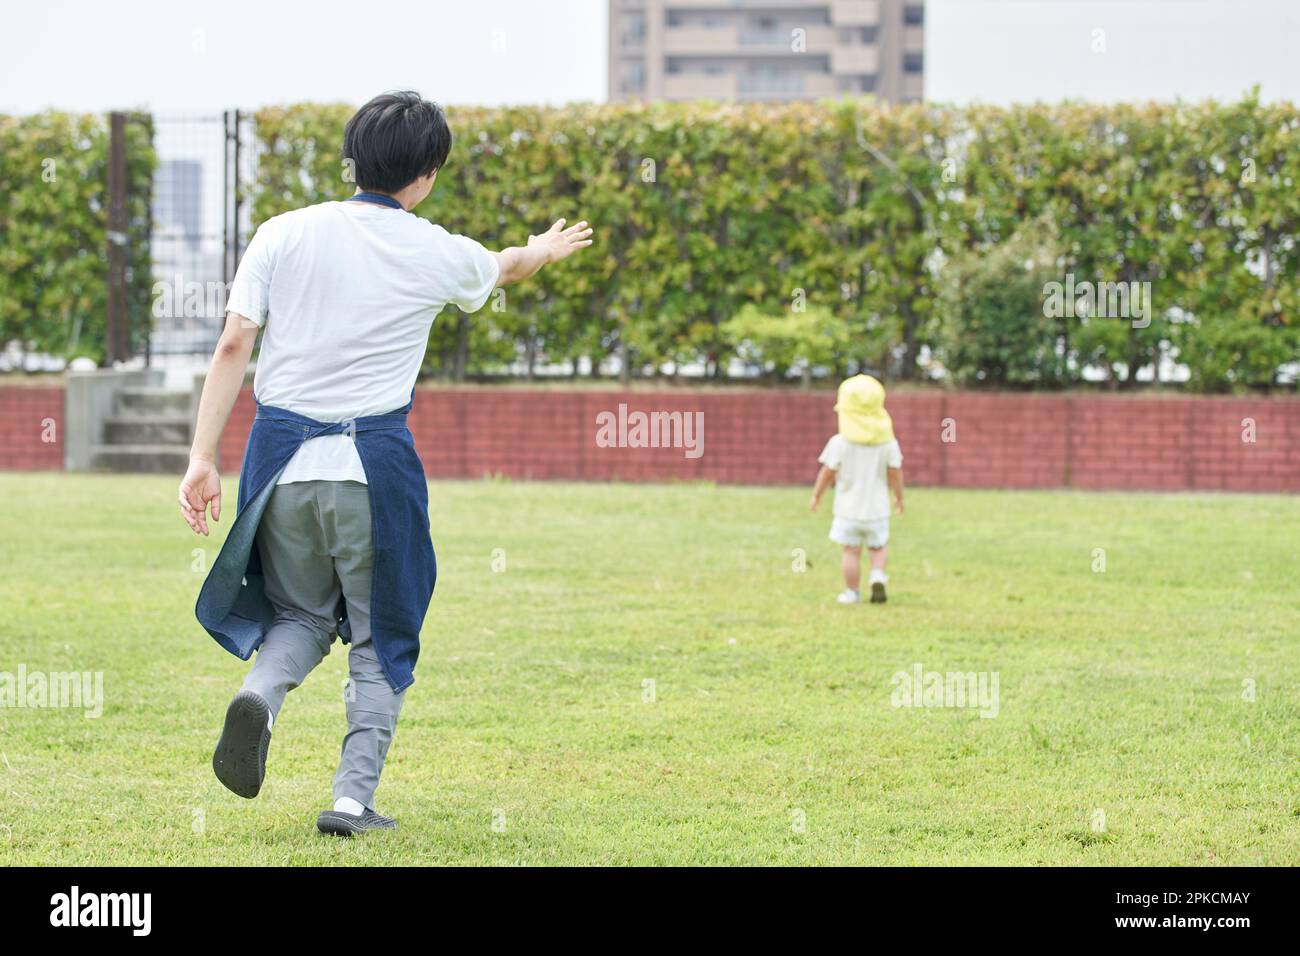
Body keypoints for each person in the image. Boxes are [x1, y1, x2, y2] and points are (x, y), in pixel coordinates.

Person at [178, 91, 593, 836]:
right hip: (373, 468)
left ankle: (260, 699)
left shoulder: (282, 232)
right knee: (377, 635)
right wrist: (543, 248)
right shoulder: (436, 250)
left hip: (280, 466)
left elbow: (233, 344)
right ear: (428, 173)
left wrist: (202, 457)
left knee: (301, 613)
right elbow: (507, 266)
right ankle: (349, 801)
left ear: (352, 156)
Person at [808, 374, 904, 605]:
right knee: (877, 547)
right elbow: (895, 473)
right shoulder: (889, 444)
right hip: (877, 511)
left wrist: (817, 495)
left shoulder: (839, 443)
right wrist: (898, 498)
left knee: (851, 552)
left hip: (847, 511)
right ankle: (878, 574)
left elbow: (827, 473)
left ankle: (852, 593)